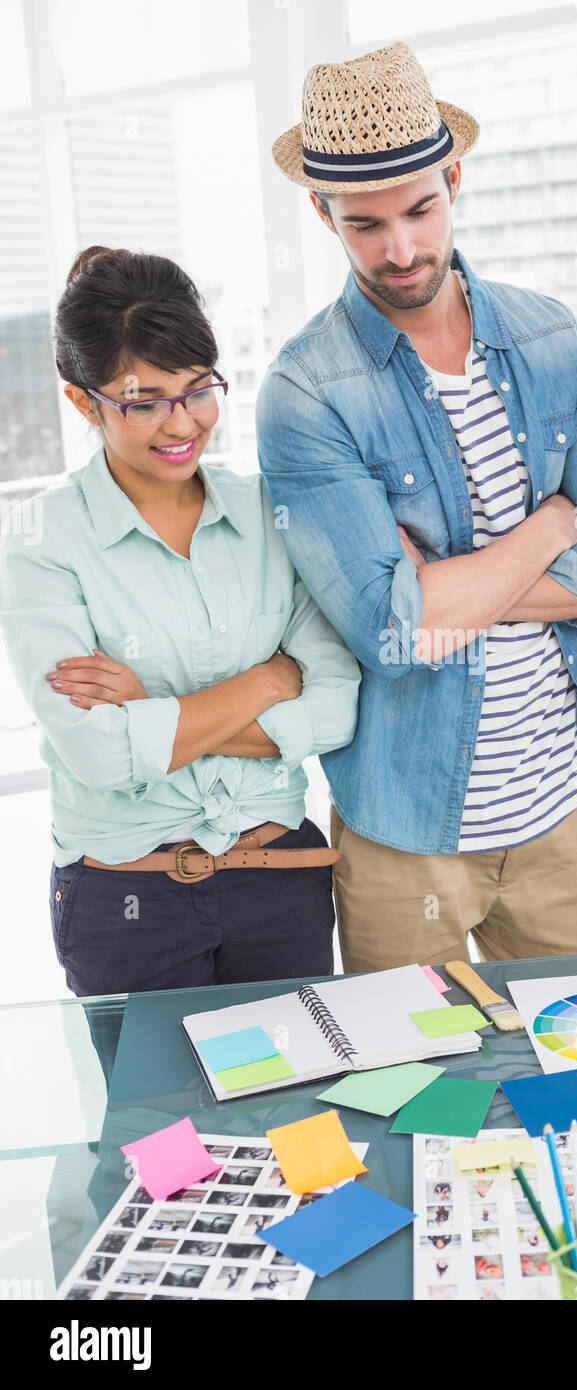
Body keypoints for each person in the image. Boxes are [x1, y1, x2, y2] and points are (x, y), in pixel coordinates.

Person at [256, 43, 577, 973]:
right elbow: (391, 632)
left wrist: (446, 593)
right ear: (321, 213)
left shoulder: (551, 338)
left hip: (563, 812)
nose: (401, 250)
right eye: (365, 225)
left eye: (419, 209)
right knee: (408, 1096)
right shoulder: (306, 392)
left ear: (454, 177)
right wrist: (555, 524)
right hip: (406, 832)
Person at [0, 247, 360, 1034]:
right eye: (146, 402)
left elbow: (336, 709)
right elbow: (97, 753)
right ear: (83, 401)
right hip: (127, 906)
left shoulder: (269, 511)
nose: (183, 423)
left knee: (299, 1137)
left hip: (281, 885)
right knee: (162, 1147)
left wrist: (155, 716)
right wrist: (269, 679)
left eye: (199, 390)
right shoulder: (42, 541)